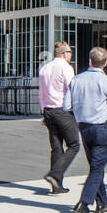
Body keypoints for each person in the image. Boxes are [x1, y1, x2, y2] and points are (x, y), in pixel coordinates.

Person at [67, 47, 107, 213]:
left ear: (90, 61)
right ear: (106, 63)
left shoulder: (76, 80)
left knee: (95, 166)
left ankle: (102, 203)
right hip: (101, 127)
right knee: (97, 167)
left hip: (84, 127)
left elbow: (66, 105)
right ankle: (84, 202)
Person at [38, 41, 79, 194]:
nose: (71, 54)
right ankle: (55, 174)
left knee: (56, 148)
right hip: (62, 110)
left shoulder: (45, 68)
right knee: (74, 145)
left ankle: (57, 185)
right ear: (64, 54)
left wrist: (43, 110)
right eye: (69, 52)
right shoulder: (66, 68)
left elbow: (41, 93)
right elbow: (71, 89)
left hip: (48, 110)